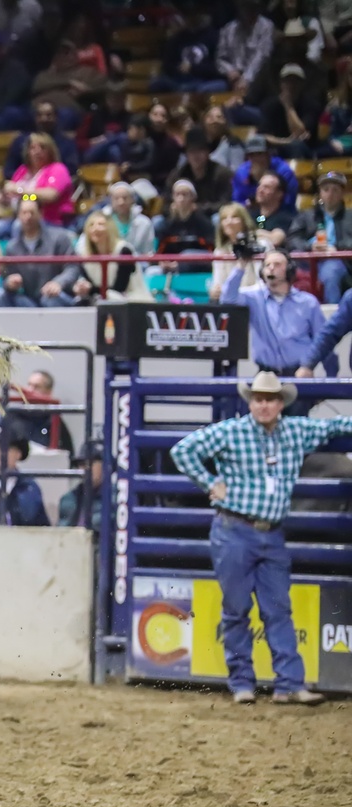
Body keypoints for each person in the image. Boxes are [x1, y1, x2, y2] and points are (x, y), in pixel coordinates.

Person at [171, 371, 352, 705]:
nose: (264, 405)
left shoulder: (295, 432)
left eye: (269, 399)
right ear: (251, 402)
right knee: (237, 608)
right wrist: (208, 481)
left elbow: (336, 426)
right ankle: (243, 682)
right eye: (258, 399)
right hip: (234, 529)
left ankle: (289, 684)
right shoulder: (232, 431)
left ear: (280, 404)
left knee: (278, 608)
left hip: (270, 532)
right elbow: (183, 451)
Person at [222, 249, 332, 409]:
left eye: (277, 264)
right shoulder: (254, 298)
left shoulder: (308, 303)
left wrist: (327, 379)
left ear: (289, 270)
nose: (271, 268)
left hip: (297, 376)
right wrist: (241, 265)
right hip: (265, 376)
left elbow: (324, 342)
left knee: (296, 427)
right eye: (267, 265)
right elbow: (228, 298)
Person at [0, 198, 75, 308]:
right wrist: (10, 283)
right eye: (24, 213)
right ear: (18, 215)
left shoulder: (59, 238)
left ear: (40, 214)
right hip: (28, 301)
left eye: (32, 212)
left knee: (49, 299)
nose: (28, 217)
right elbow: (6, 275)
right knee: (1, 295)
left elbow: (72, 267)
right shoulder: (12, 247)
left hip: (56, 296)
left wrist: (58, 283)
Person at [0, 132, 73, 239]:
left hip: (50, 222)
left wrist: (19, 190)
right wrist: (4, 198)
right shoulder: (22, 171)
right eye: (33, 148)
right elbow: (17, 198)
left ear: (50, 151)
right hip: (18, 218)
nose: (37, 152)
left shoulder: (57, 169)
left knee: (18, 226)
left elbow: (51, 195)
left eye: (42, 148)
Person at [289, 172, 352, 304]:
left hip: (337, 260)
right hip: (307, 259)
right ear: (320, 193)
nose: (330, 194)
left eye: (335, 190)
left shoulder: (350, 217)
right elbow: (292, 239)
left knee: (331, 271)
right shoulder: (306, 216)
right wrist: (310, 247)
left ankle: (331, 314)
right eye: (326, 189)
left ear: (342, 194)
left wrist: (336, 248)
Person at [165, 127, 234, 218]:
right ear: (186, 154)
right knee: (158, 221)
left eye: (200, 150)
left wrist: (198, 208)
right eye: (192, 151)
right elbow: (165, 202)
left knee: (217, 219)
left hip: (210, 217)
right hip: (182, 216)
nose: (196, 155)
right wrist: (173, 207)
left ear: (208, 153)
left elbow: (226, 204)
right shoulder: (177, 174)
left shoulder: (223, 174)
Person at [0, 423, 49, 526]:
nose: (0, 454)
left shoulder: (29, 488)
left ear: (18, 454)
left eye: (7, 449)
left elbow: (33, 520)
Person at [210, 202, 258, 301]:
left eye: (234, 217)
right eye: (224, 218)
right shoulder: (219, 251)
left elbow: (262, 283)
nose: (229, 222)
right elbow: (218, 283)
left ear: (244, 222)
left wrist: (236, 293)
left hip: (254, 299)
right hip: (230, 301)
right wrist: (215, 291)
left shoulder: (260, 245)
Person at [232, 136, 298, 207]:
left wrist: (260, 179)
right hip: (253, 213)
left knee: (261, 218)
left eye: (259, 154)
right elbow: (237, 201)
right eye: (252, 155)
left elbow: (289, 201)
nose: (256, 159)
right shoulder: (242, 172)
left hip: (279, 213)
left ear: (268, 154)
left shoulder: (284, 172)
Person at [58, 439, 103, 528]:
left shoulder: (117, 498)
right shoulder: (68, 499)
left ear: (105, 465)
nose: (85, 468)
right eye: (81, 464)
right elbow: (62, 532)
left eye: (90, 463)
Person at [105, 182, 155, 256]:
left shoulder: (144, 222)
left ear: (132, 200)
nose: (121, 202)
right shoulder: (102, 220)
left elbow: (148, 252)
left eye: (125, 198)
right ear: (111, 201)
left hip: (139, 263)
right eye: (116, 198)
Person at [250, 171, 294, 248]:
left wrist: (251, 234)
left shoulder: (285, 218)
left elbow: (275, 240)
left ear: (279, 194)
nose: (260, 190)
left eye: (266, 187)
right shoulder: (249, 215)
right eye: (259, 185)